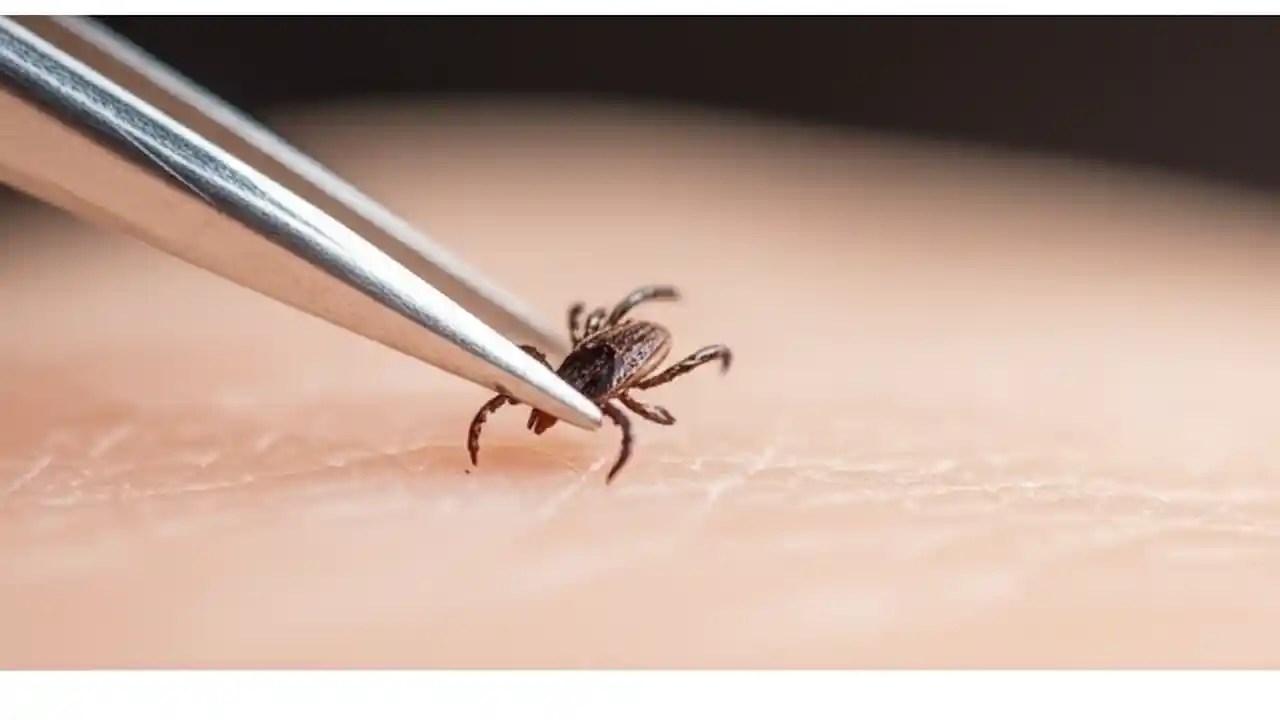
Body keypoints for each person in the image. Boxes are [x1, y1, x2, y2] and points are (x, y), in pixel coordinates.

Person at [2, 99, 1278, 667]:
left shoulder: (611, 381)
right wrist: (578, 384)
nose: (573, 381)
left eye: (592, 373)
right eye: (580, 370)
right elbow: (598, 371)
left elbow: (624, 390)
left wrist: (600, 403)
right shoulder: (589, 368)